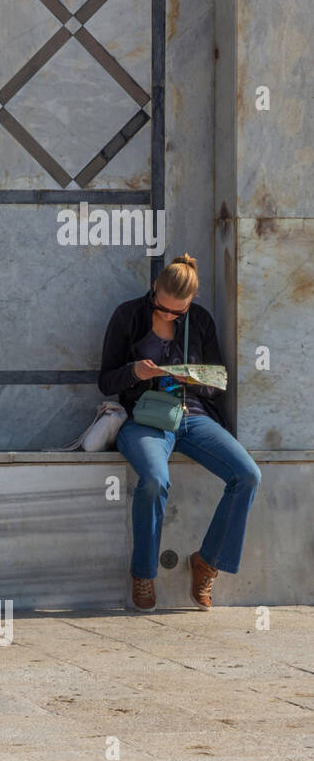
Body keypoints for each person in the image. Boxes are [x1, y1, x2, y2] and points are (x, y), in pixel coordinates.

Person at [99, 254, 261, 612]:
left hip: (193, 416)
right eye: (163, 308)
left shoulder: (200, 321)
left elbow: (218, 382)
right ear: (154, 290)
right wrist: (134, 373)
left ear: (190, 303)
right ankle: (143, 572)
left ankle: (207, 561)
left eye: (178, 312)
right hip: (146, 418)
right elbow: (105, 380)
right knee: (155, 479)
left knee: (248, 475)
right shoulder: (128, 315)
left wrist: (193, 378)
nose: (170, 315)